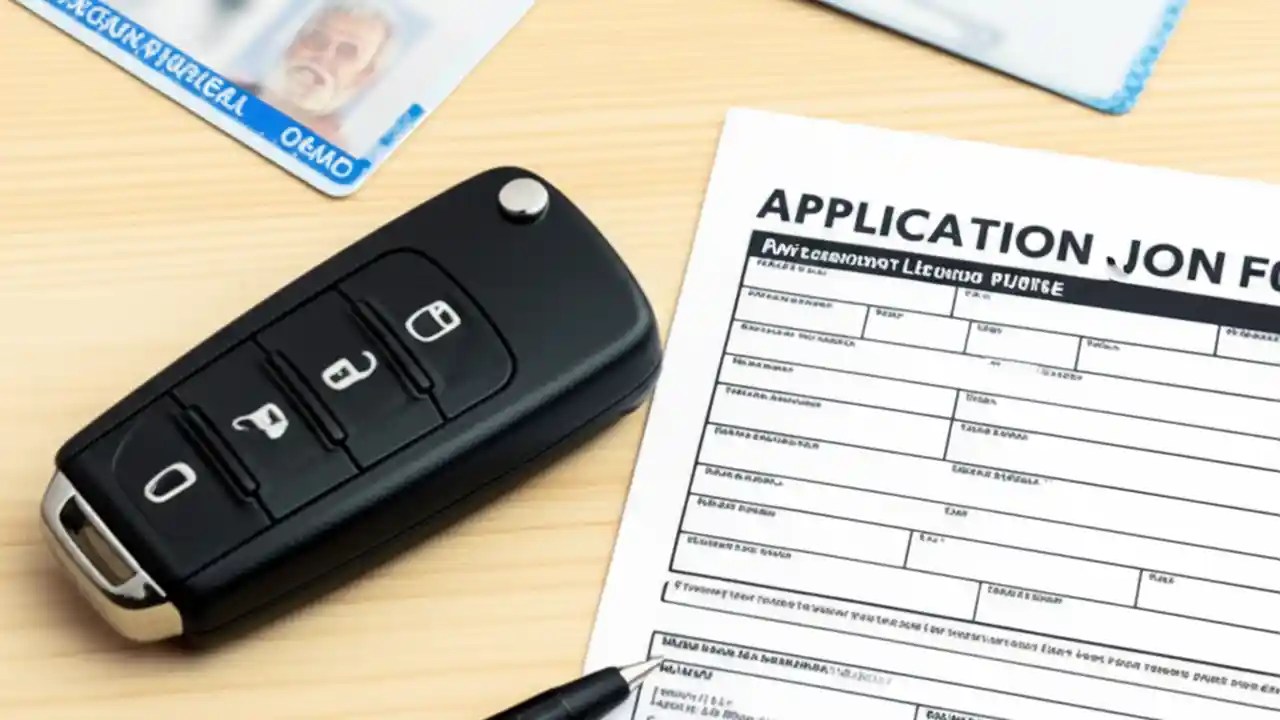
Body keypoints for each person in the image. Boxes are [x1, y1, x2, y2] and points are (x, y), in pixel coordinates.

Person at [246, 0, 397, 149]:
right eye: (317, 38)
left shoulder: (332, 154)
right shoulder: (231, 89)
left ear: (364, 76)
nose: (323, 57)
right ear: (293, 42)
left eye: (347, 51)